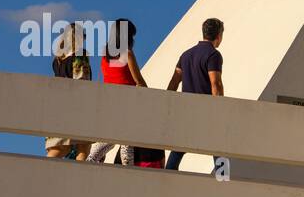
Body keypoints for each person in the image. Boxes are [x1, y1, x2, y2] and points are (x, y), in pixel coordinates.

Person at [88, 19, 160, 166]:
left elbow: (114, 75)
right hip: (128, 100)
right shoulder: (127, 53)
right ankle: (126, 169)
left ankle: (92, 159)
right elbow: (138, 80)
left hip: (111, 100)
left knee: (112, 138)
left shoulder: (105, 56)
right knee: (127, 140)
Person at [164, 17, 224, 171]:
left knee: (178, 150)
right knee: (220, 149)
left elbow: (174, 83)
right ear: (219, 35)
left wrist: (167, 105)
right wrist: (221, 109)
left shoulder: (186, 55)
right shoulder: (213, 55)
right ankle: (223, 181)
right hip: (206, 112)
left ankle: (167, 176)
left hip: (186, 112)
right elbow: (215, 84)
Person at [44, 24, 93, 160]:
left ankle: (40, 170)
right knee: (83, 146)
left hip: (58, 107)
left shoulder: (58, 60)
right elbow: (82, 81)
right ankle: (79, 178)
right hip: (77, 106)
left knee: (60, 147)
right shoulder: (80, 55)